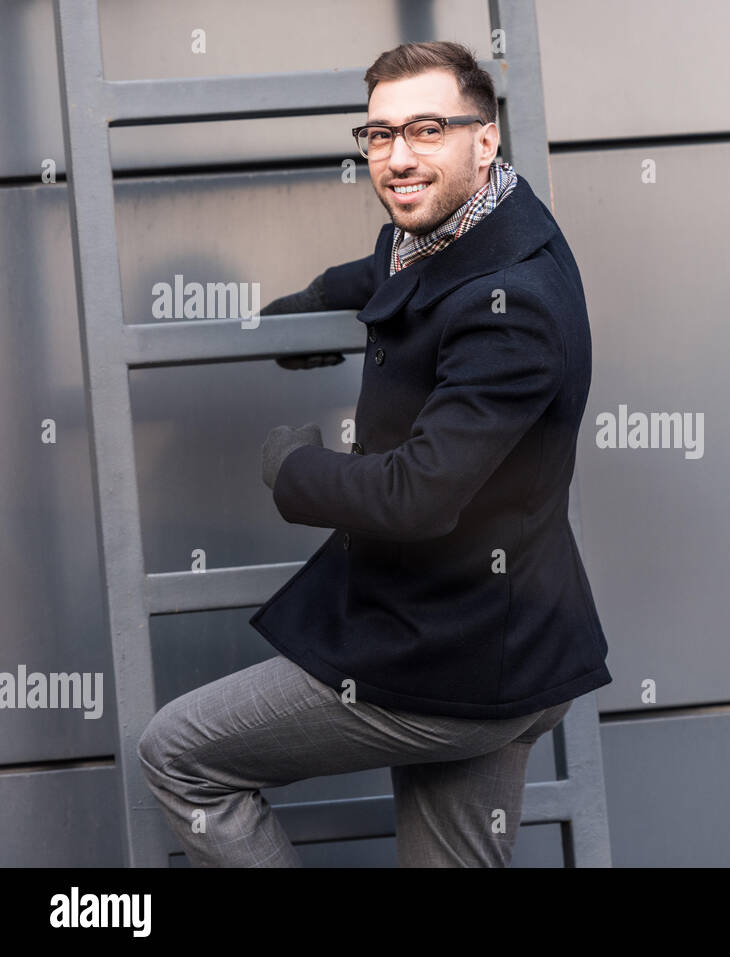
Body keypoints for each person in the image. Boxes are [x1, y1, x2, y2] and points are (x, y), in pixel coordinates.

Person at [137, 40, 612, 867]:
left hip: (455, 653)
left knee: (179, 754)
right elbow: (398, 261)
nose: (398, 158)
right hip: (509, 645)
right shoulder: (484, 216)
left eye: (427, 130)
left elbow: (418, 495)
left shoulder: (516, 310)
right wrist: (317, 303)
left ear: (486, 139)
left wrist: (292, 469)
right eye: (380, 135)